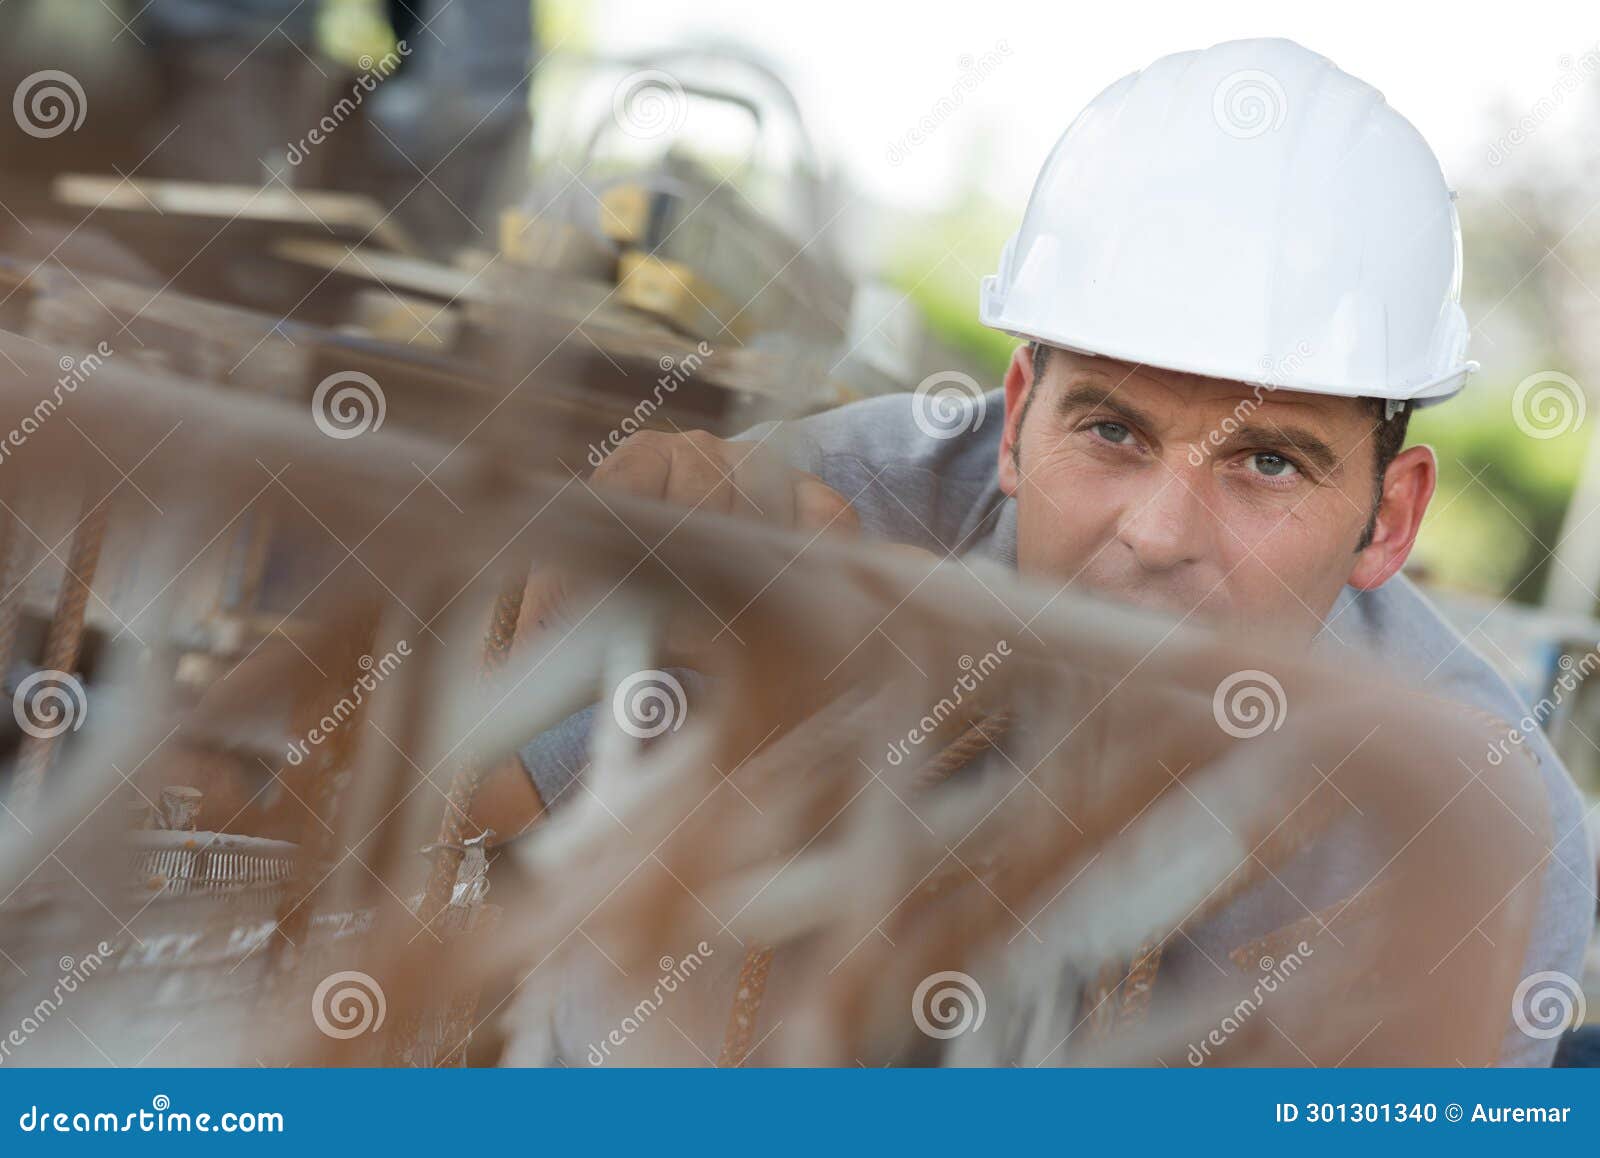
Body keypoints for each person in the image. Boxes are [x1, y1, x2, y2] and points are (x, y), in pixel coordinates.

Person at [479, 38, 1595, 1065]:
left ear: (1388, 520)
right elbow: (449, 825)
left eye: (1266, 465)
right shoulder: (828, 515)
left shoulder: (1476, 823)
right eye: (1111, 432)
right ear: (1015, 422)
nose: (1157, 537)